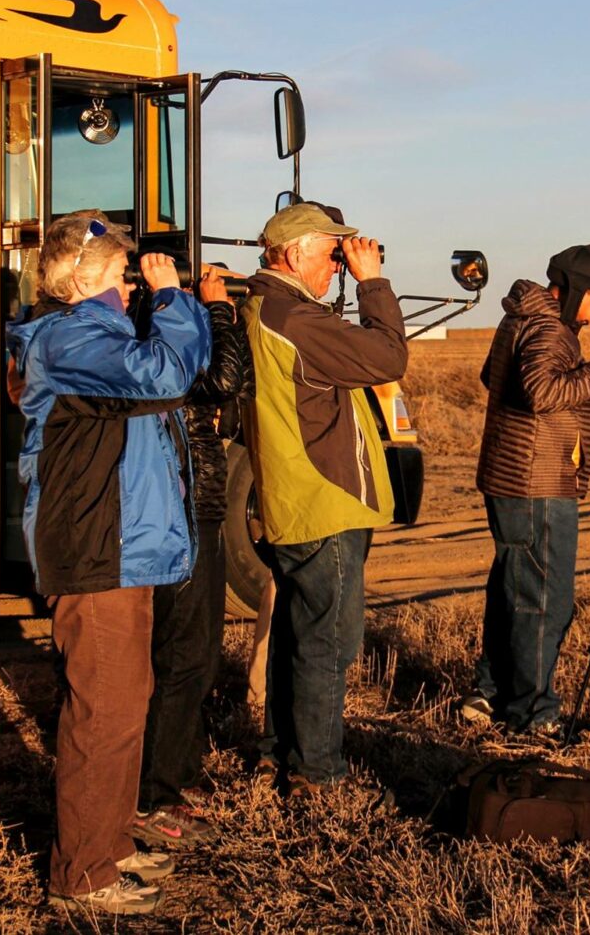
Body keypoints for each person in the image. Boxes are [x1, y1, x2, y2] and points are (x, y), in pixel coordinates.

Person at [6, 211, 210, 917]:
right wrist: (177, 300)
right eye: (123, 274)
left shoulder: (99, 335)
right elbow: (167, 374)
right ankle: (82, 875)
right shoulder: (69, 338)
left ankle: (110, 842)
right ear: (84, 278)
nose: (133, 285)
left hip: (125, 548)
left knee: (125, 708)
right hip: (99, 550)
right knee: (101, 716)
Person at [240, 201, 407, 795]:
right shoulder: (295, 318)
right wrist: (375, 284)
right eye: (330, 255)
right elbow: (388, 358)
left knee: (294, 631)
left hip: (292, 496)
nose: (338, 267)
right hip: (323, 497)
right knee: (327, 643)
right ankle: (317, 771)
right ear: (292, 254)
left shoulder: (262, 307)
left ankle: (278, 751)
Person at [460, 243, 590, 734]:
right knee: (543, 598)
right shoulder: (551, 328)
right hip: (537, 484)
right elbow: (543, 393)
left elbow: (494, 375)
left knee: (511, 588)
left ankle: (489, 693)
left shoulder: (521, 319)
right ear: (573, 290)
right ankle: (533, 714)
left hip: (510, 478)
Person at [132, 264, 252, 847]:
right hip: (180, 507)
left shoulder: (166, 333)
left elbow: (232, 391)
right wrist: (218, 308)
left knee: (198, 651)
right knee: (182, 654)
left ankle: (176, 771)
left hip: (199, 500)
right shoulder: (153, 341)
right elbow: (225, 379)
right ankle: (153, 794)